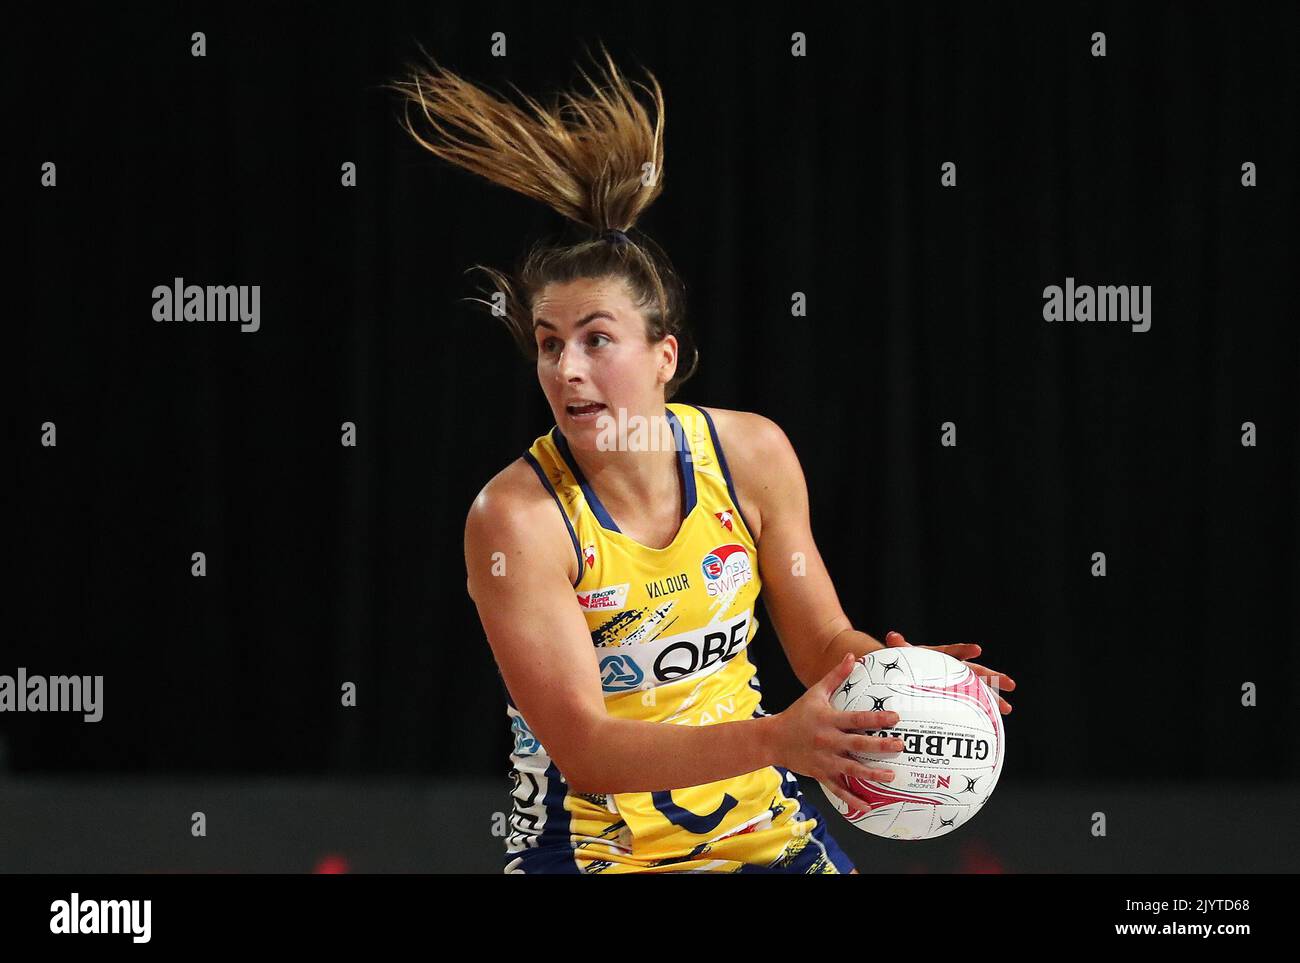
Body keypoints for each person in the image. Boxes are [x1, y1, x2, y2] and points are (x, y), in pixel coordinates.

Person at [387, 44, 1015, 873]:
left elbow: (821, 639)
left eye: (596, 340)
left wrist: (897, 678)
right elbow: (588, 748)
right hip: (596, 853)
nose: (566, 368)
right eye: (549, 344)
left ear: (665, 356)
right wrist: (781, 738)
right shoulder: (515, 518)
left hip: (766, 833)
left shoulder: (750, 453)